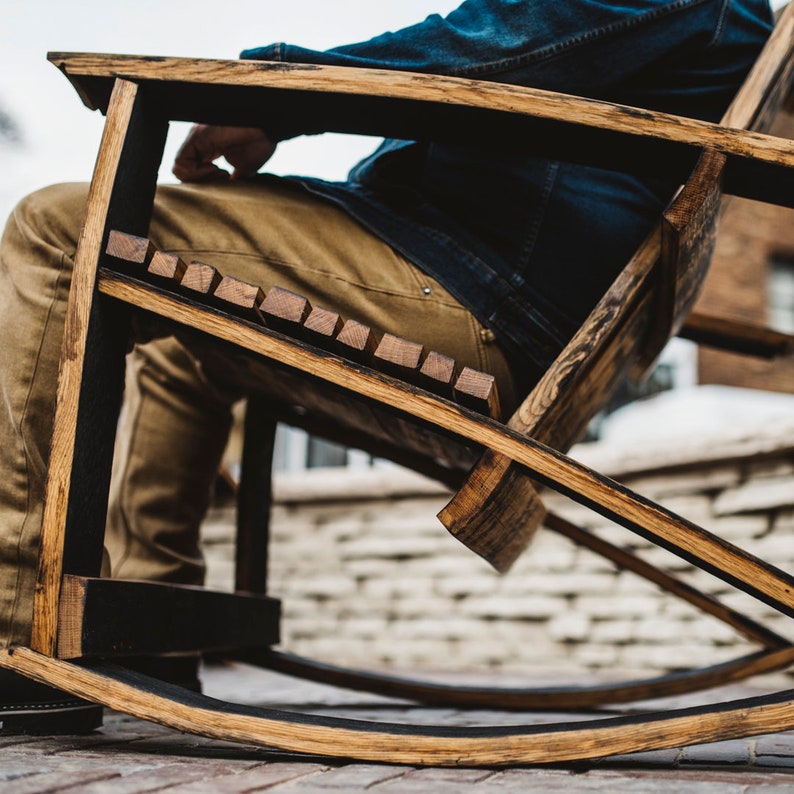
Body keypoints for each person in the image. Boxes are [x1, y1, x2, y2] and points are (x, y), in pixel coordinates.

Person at [0, 0, 774, 733]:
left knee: (57, 228)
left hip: (473, 296)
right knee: (182, 336)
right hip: (470, 277)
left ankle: (14, 634)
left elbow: (495, 42)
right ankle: (150, 640)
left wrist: (277, 94)